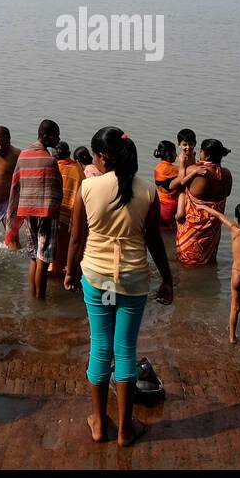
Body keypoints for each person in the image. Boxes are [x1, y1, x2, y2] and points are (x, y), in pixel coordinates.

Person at [64, 127, 173, 447]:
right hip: (132, 279)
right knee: (125, 350)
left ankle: (99, 424)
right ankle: (125, 430)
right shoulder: (147, 191)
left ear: (100, 157)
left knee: (100, 347)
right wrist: (167, 279)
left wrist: (70, 273)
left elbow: (75, 238)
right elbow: (154, 240)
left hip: (96, 278)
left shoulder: (87, 187)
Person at [5, 120, 65, 298]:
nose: (58, 139)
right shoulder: (50, 160)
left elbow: (15, 186)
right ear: (46, 136)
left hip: (27, 212)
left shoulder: (23, 155)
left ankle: (33, 297)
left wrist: (13, 215)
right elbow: (56, 191)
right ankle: (40, 300)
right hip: (46, 214)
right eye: (56, 135)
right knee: (43, 260)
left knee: (33, 256)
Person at [200, 201, 240, 347]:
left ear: (237, 219)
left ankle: (232, 337)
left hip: (235, 274)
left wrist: (203, 207)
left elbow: (219, 215)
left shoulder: (233, 229)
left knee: (234, 307)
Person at [173, 138, 232, 266]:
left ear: (206, 154)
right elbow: (227, 193)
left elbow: (175, 186)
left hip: (191, 229)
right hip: (212, 229)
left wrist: (183, 165)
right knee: (208, 261)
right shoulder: (227, 174)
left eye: (201, 151)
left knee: (185, 264)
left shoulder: (194, 171)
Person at [52, 142, 84, 280]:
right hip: (71, 215)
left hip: (53, 213)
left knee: (52, 247)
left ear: (54, 155)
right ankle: (65, 272)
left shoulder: (53, 166)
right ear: (69, 153)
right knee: (65, 246)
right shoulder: (77, 168)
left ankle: (53, 271)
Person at [169, 129, 198, 226]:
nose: (188, 147)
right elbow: (181, 180)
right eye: (184, 145)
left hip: (189, 184)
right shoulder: (182, 159)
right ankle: (175, 222)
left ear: (195, 143)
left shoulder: (193, 154)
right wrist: (195, 172)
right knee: (180, 215)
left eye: (191, 144)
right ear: (179, 145)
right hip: (181, 187)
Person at [152, 140, 180, 226]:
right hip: (170, 208)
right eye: (175, 152)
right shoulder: (171, 169)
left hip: (159, 205)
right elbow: (185, 170)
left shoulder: (158, 167)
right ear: (168, 154)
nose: (176, 155)